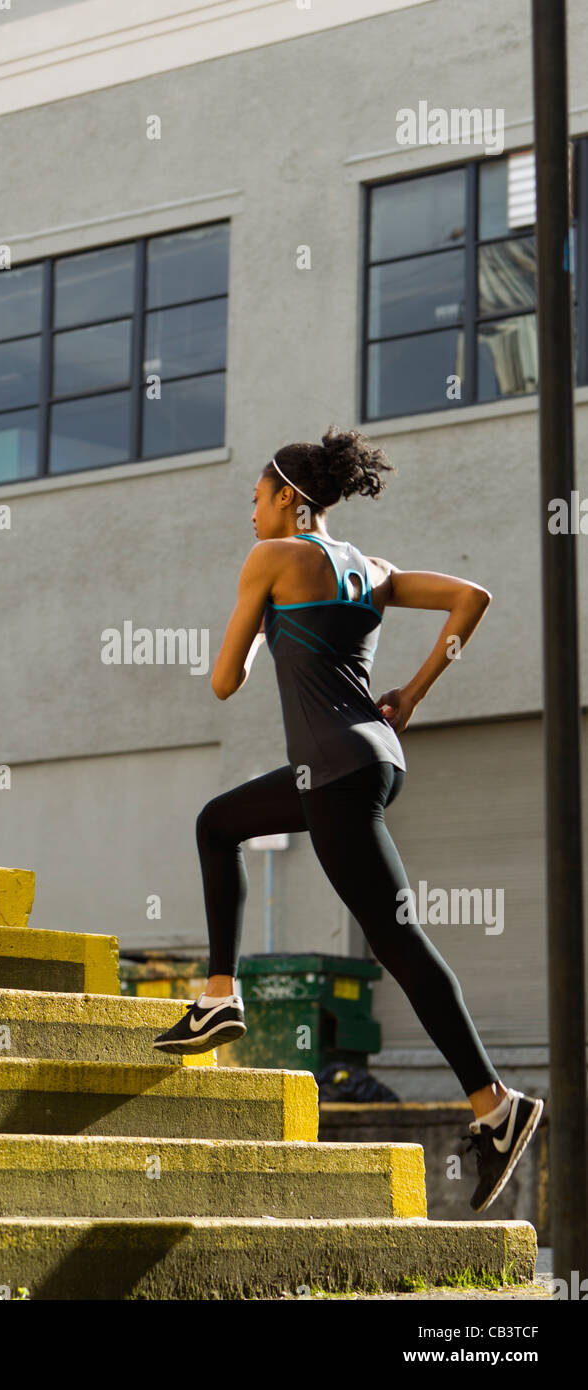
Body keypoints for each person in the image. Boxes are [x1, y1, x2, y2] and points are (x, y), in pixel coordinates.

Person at [153, 425, 545, 1213]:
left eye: (257, 497)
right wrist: (414, 692)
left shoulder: (272, 561)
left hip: (334, 772)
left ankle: (495, 1106)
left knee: (398, 939)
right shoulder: (372, 569)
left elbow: (224, 681)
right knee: (218, 822)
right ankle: (220, 994)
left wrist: (263, 622)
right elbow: (473, 599)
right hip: (366, 761)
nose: (250, 512)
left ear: (290, 501)